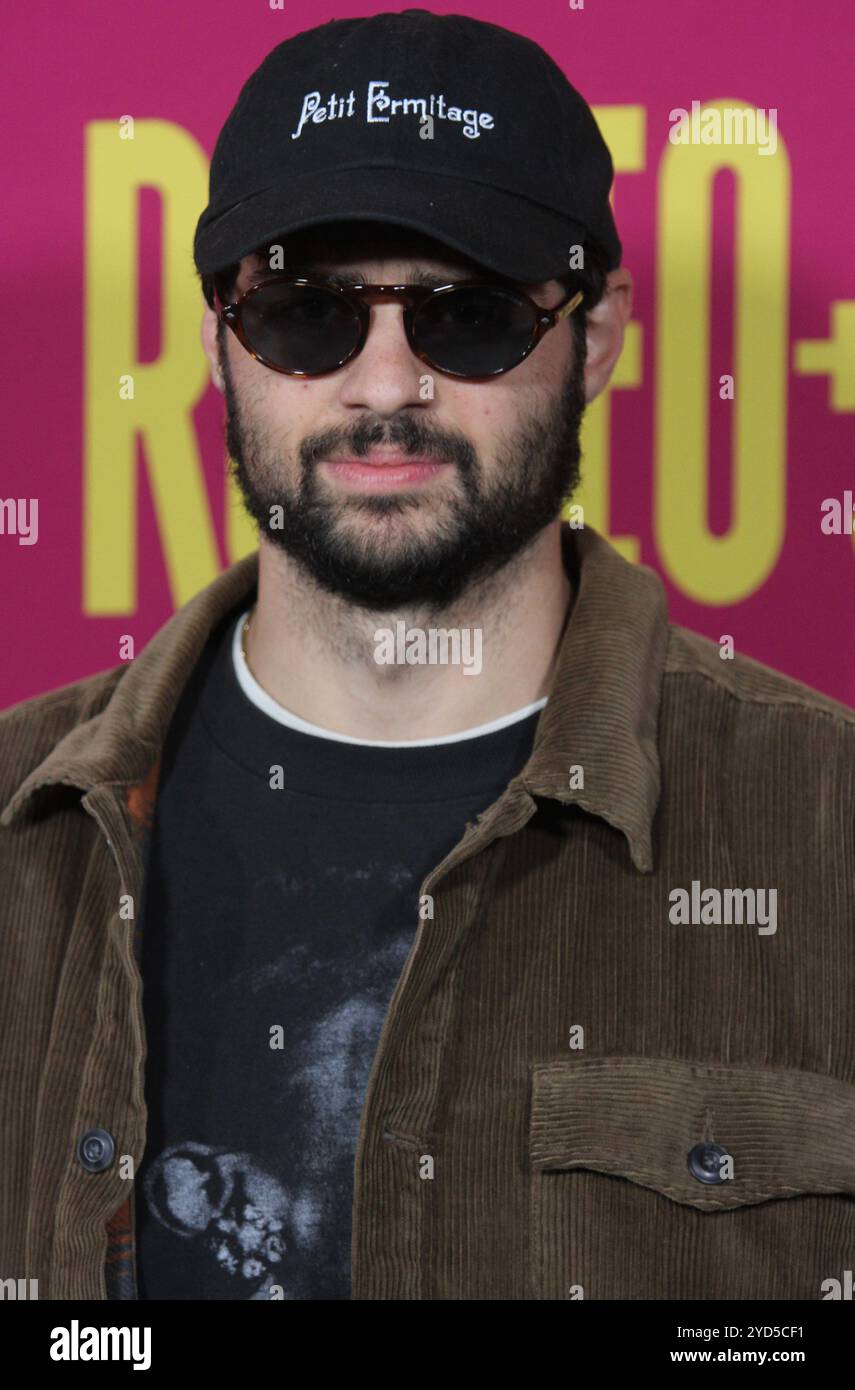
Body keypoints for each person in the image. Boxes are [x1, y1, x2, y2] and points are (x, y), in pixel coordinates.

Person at [1, 10, 853, 1304]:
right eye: (302, 314)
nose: (385, 385)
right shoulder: (20, 824)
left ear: (599, 335)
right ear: (217, 341)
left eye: (468, 318)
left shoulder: (831, 823)